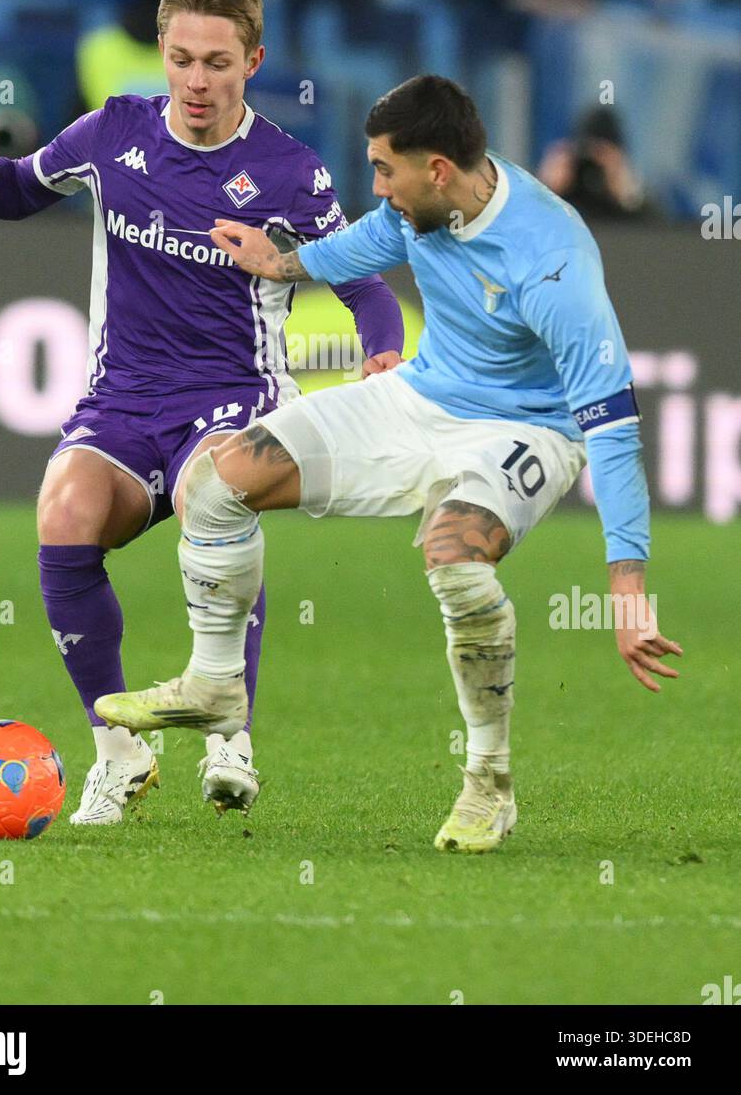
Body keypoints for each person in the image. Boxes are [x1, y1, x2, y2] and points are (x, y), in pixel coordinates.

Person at [96, 73, 682, 854]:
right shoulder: (423, 209)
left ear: (436, 169)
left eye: (384, 170)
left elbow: (610, 426)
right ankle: (213, 683)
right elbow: (364, 242)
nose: (377, 187)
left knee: (455, 557)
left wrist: (627, 585)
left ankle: (489, 781)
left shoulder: (553, 262)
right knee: (218, 480)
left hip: (530, 429)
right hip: (420, 396)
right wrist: (281, 264)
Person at [0, 0, 403, 824]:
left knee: (210, 495)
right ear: (162, 51)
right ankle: (119, 753)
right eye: (182, 59)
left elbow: (368, 286)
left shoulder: (290, 171)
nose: (196, 80)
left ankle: (230, 731)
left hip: (237, 397)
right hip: (123, 399)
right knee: (64, 513)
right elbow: (16, 191)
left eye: (217, 63)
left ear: (253, 62)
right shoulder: (113, 131)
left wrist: (381, 351)